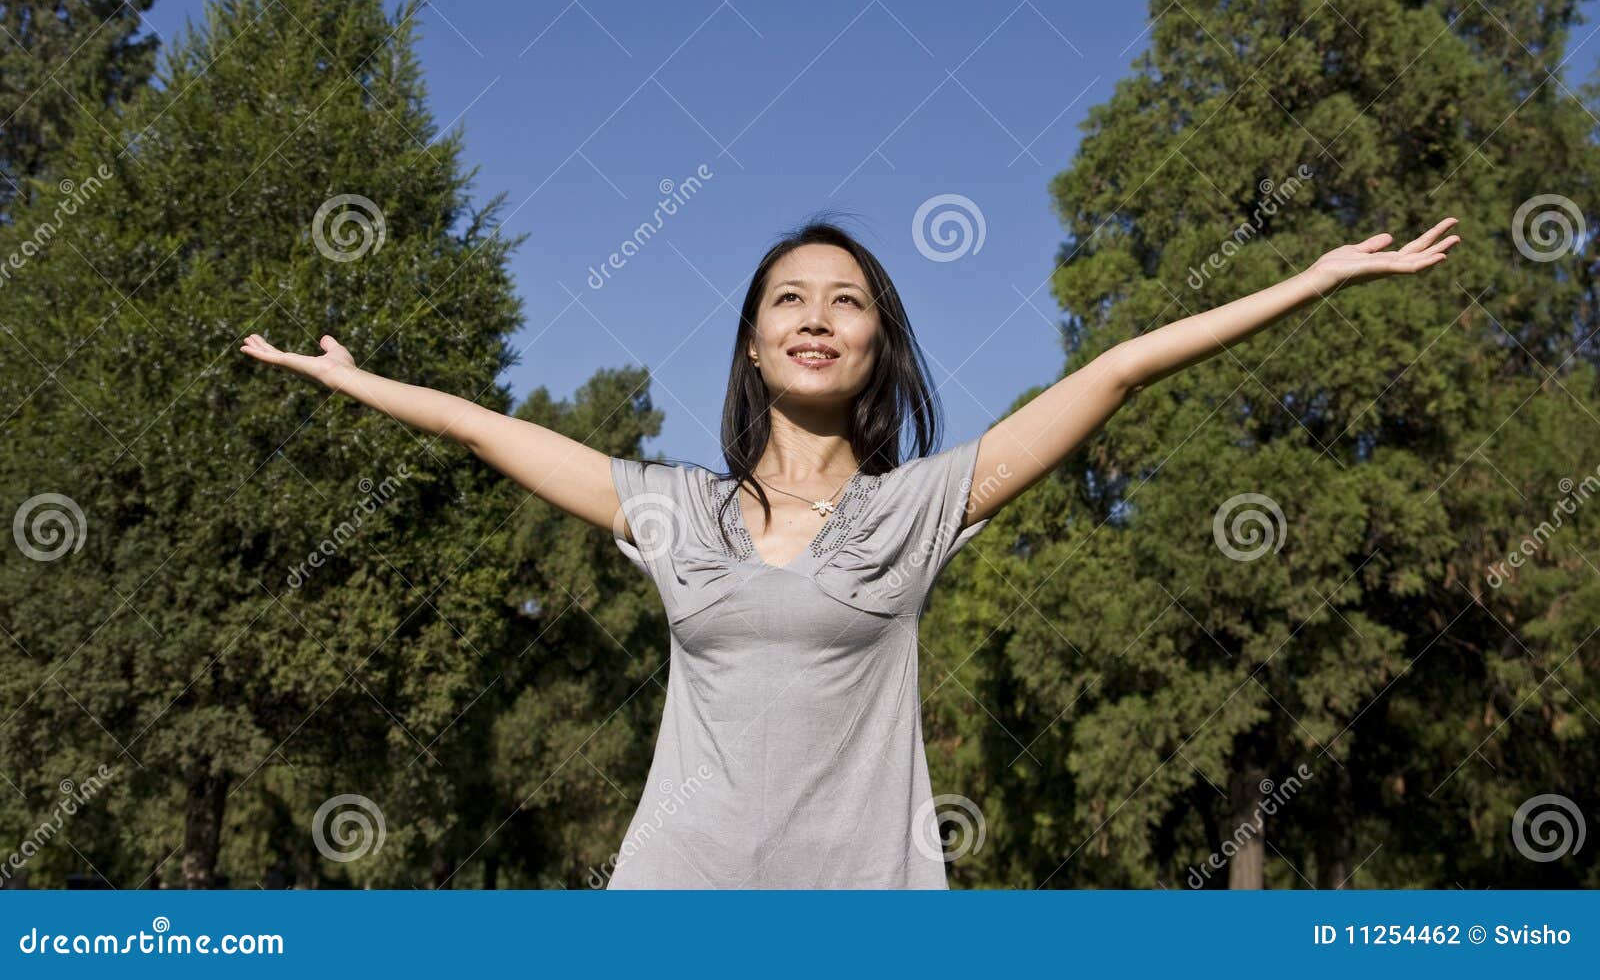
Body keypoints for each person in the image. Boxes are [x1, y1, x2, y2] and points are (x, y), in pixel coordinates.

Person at [239, 215, 1461, 888]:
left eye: (847, 300)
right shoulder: (673, 512)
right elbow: (478, 423)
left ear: (877, 345)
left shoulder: (918, 508)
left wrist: (1312, 280)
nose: (816, 316)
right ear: (755, 348)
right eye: (789, 299)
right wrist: (350, 381)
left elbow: (1120, 366)